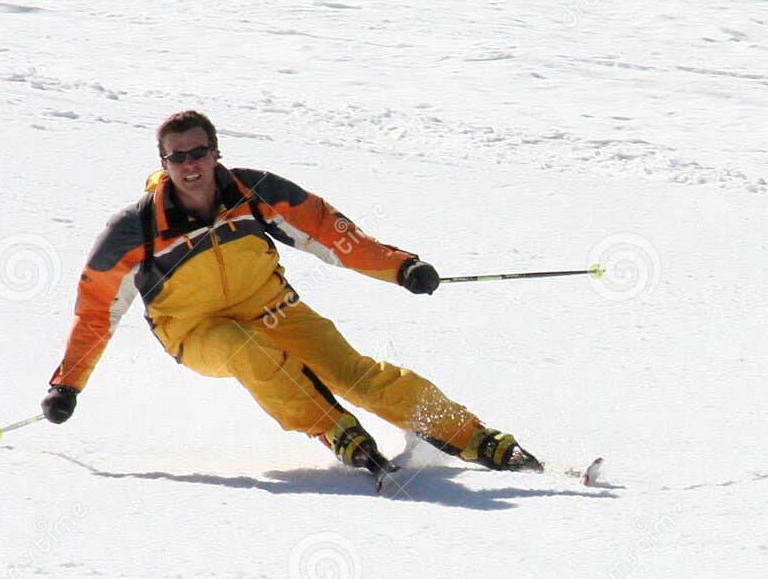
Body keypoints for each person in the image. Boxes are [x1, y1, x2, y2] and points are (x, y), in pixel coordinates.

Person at [41, 110, 541, 480]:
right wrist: (68, 386)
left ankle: (477, 438)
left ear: (216, 152)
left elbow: (332, 234)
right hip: (194, 332)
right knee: (245, 349)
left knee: (356, 373)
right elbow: (96, 313)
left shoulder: (253, 191)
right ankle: (335, 430)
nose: (190, 165)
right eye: (178, 157)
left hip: (273, 309)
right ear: (164, 162)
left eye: (199, 153)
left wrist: (402, 267)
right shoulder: (136, 229)